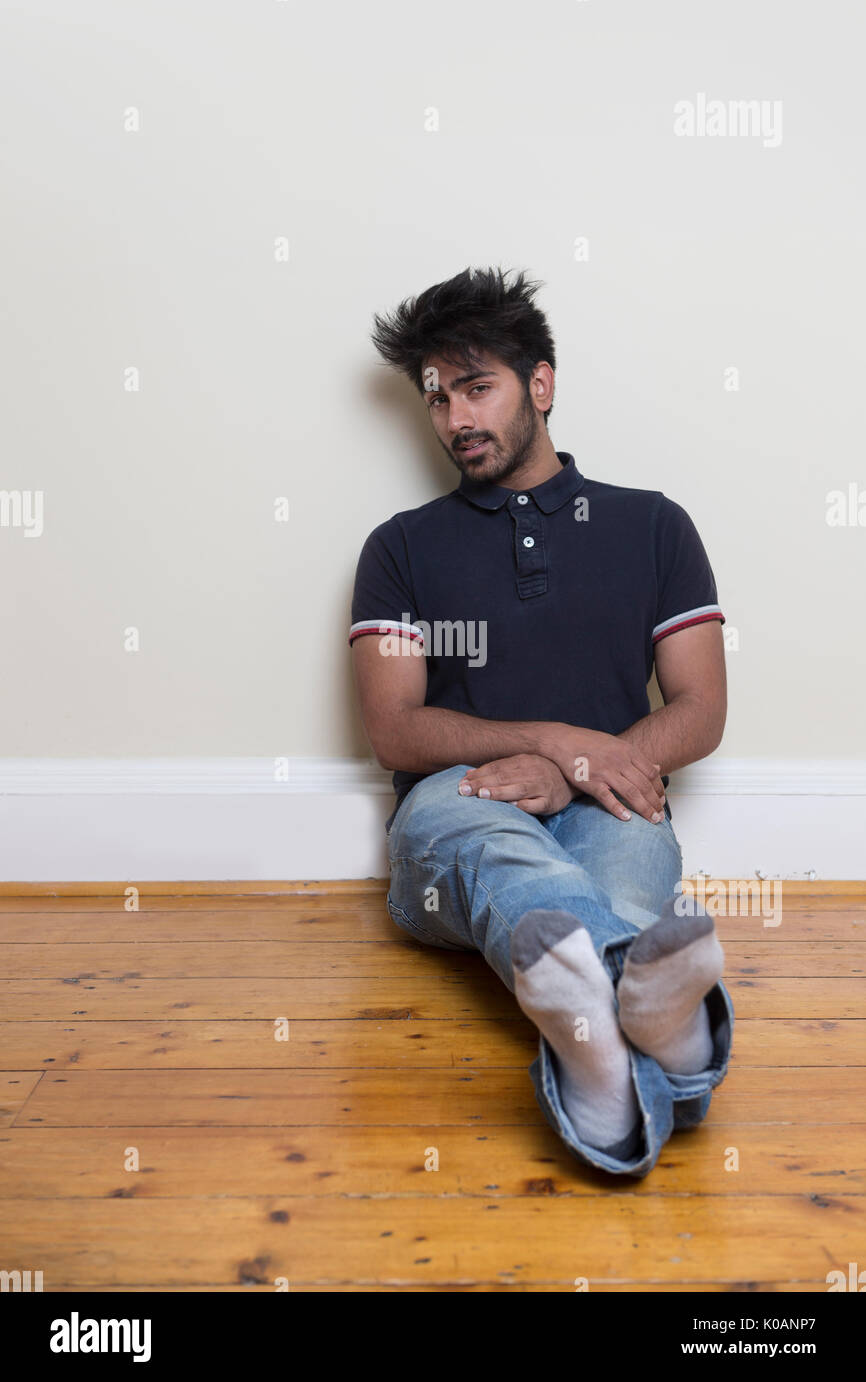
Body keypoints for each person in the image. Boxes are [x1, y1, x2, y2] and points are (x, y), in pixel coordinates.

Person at [348, 265, 734, 1177]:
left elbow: (702, 707)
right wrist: (555, 742)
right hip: (456, 808)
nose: (455, 419)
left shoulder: (654, 526)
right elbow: (396, 732)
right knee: (514, 858)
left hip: (615, 803)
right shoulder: (400, 547)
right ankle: (670, 1035)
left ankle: (598, 1066)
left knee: (630, 875)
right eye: (438, 397)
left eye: (477, 388)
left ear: (542, 384)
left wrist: (573, 772)